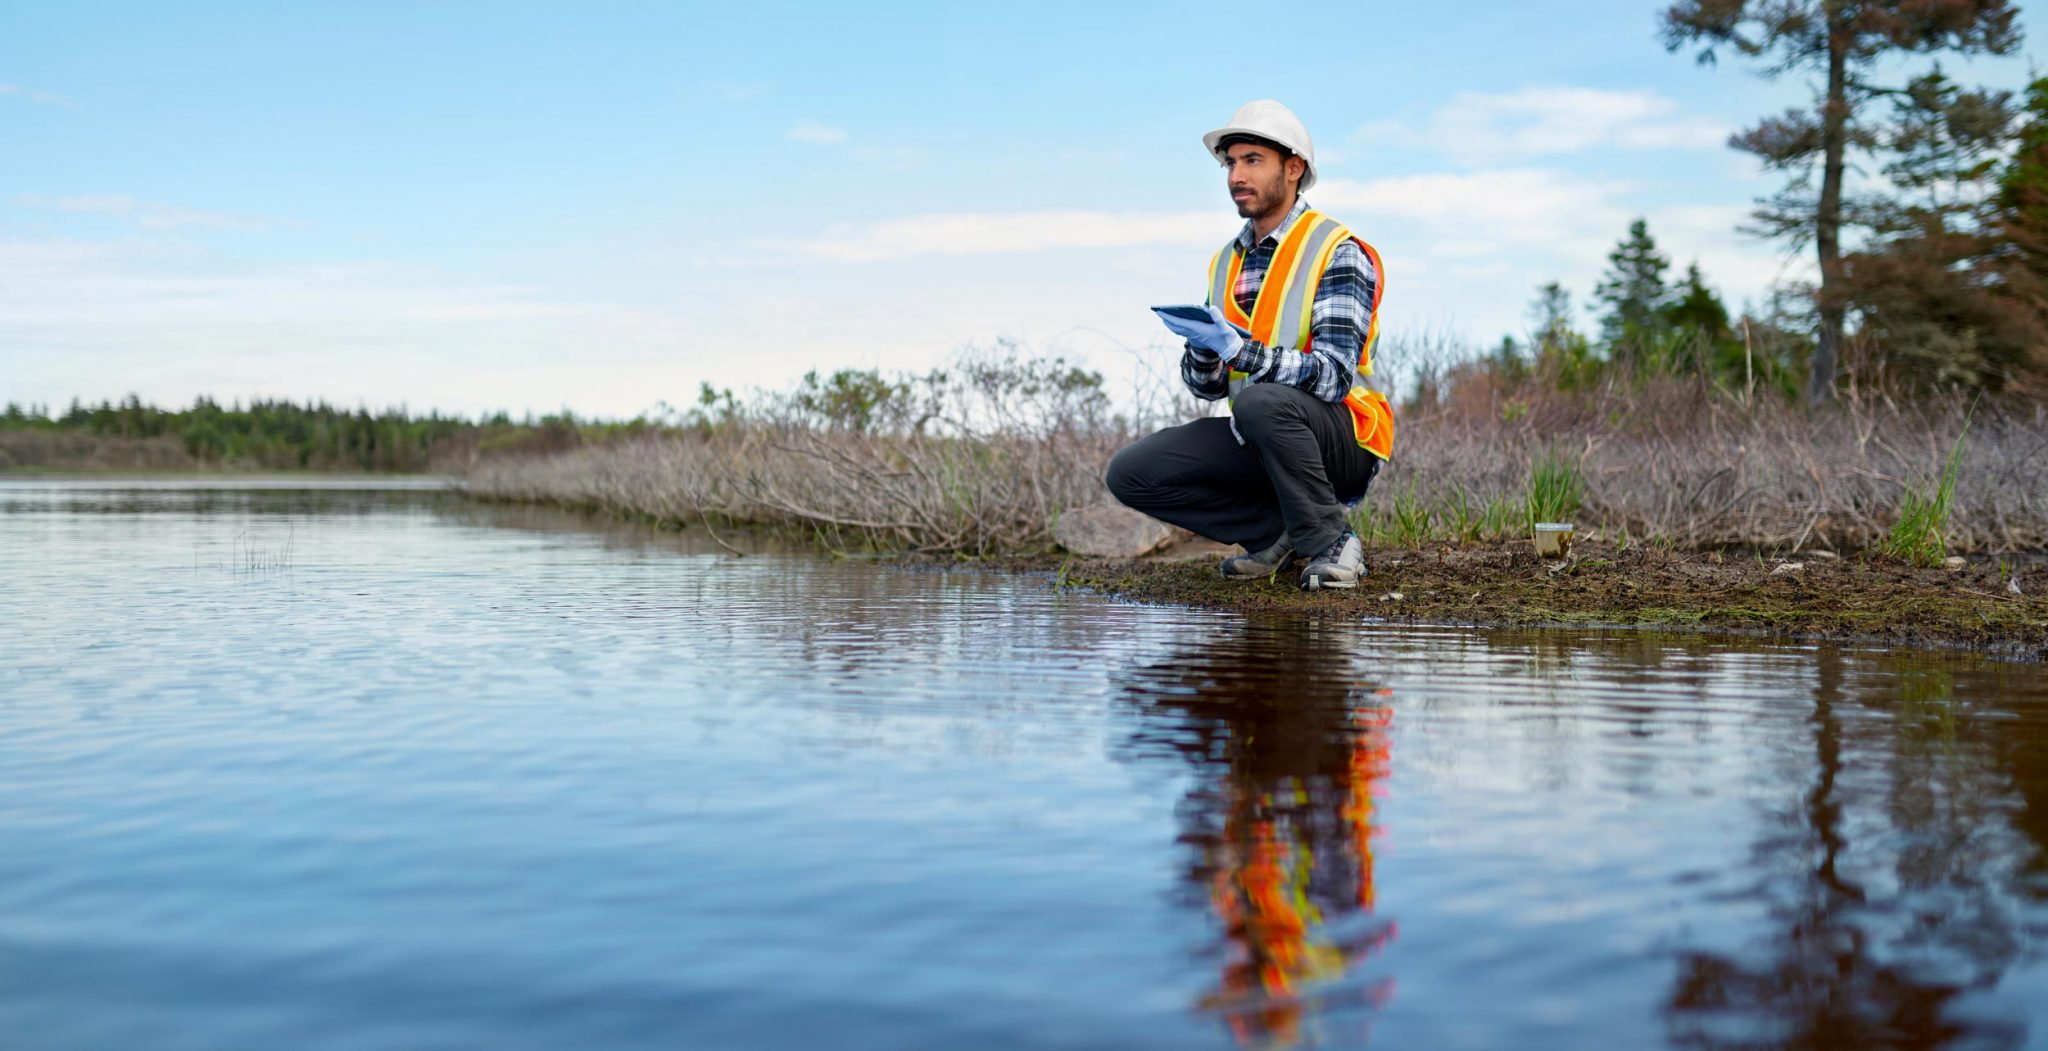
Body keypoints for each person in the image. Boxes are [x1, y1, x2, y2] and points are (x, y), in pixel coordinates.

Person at [1106, 100, 1394, 591]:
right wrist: (1204, 348)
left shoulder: (1337, 250)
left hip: (1344, 438)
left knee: (1261, 402)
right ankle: (1275, 533)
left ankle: (1332, 542)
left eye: (1253, 161)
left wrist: (1241, 353)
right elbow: (1208, 388)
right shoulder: (1226, 262)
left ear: (1293, 168)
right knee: (1132, 472)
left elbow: (1333, 375)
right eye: (1231, 163)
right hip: (1259, 431)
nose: (1237, 175)